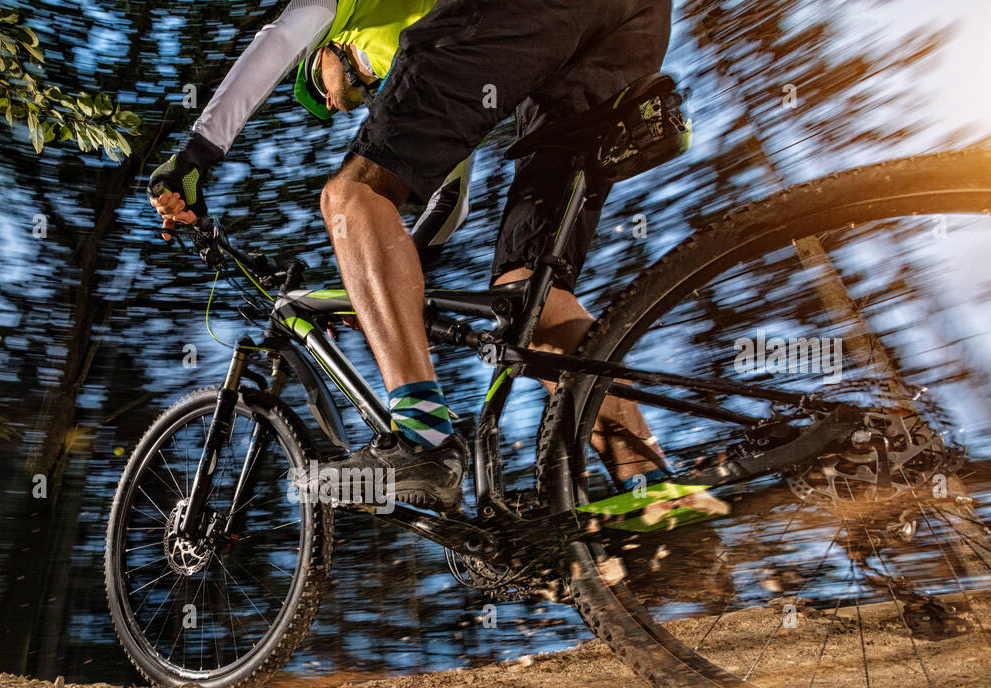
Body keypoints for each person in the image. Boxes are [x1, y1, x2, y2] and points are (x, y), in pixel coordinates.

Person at [151, 0, 724, 528]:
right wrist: (378, 282)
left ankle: (424, 442)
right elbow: (448, 199)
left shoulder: (362, 23)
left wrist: (194, 158)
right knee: (530, 290)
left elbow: (278, 41)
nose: (327, 103)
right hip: (624, 27)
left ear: (329, 53)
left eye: (314, 88)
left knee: (347, 195)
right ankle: (657, 498)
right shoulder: (467, 66)